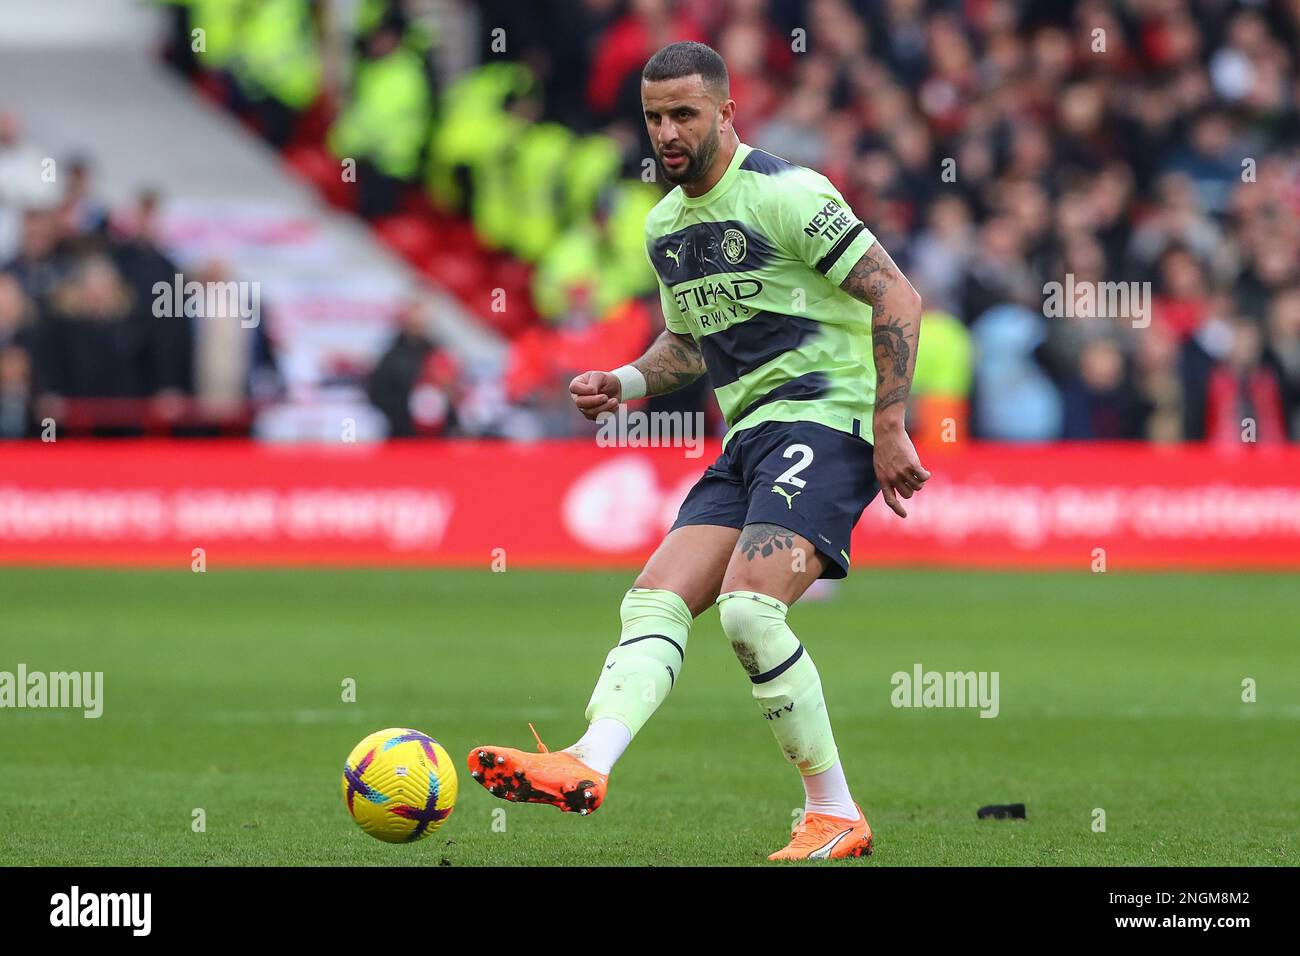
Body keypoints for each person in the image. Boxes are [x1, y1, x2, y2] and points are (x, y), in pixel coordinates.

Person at [467, 41, 929, 861]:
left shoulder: (789, 194)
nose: (667, 132)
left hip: (826, 423)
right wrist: (625, 381)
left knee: (752, 610)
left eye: (684, 113)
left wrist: (890, 425)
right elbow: (689, 346)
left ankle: (834, 812)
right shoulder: (666, 226)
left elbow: (896, 293)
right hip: (748, 437)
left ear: (726, 112)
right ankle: (587, 760)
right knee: (653, 600)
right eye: (653, 117)